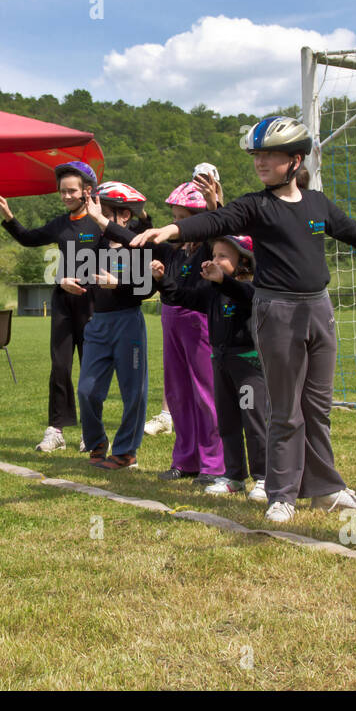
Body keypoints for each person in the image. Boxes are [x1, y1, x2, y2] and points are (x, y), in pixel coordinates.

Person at [132, 116, 356, 523]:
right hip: (277, 312)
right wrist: (171, 228)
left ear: (294, 160)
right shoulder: (256, 206)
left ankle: (326, 489)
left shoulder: (317, 204)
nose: (260, 162)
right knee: (285, 409)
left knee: (318, 408)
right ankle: (281, 492)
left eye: (269, 155)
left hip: (319, 310)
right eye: (256, 155)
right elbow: (216, 221)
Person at [0, 162, 101, 453]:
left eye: (72, 191)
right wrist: (9, 216)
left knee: (90, 367)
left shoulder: (100, 224)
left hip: (93, 302)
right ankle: (56, 430)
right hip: (64, 301)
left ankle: (92, 432)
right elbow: (29, 239)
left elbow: (117, 260)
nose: (66, 196)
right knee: (60, 366)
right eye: (62, 191)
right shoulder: (60, 223)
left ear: (86, 192)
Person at [155, 235, 268, 499]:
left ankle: (264, 477)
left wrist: (223, 281)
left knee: (253, 420)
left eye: (223, 256)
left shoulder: (253, 287)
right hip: (220, 362)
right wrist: (162, 281)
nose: (214, 260)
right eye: (214, 255)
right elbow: (182, 296)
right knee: (227, 421)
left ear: (243, 262)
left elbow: (243, 294)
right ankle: (234, 476)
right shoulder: (211, 290)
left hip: (247, 367)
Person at [69, 182, 157, 470]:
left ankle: (126, 451)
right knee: (87, 390)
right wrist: (65, 281)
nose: (97, 217)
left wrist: (118, 284)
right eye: (97, 211)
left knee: (134, 390)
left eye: (103, 212)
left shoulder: (138, 246)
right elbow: (74, 272)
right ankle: (96, 443)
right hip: (98, 324)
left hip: (128, 323)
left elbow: (145, 289)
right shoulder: (95, 245)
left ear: (124, 217)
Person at [153, 179, 225, 483]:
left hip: (199, 324)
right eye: (175, 218)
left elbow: (219, 227)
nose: (177, 225)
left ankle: (214, 464)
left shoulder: (209, 246)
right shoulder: (174, 250)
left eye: (184, 219)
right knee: (178, 393)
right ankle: (185, 460)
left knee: (205, 394)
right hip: (170, 321)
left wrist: (213, 207)